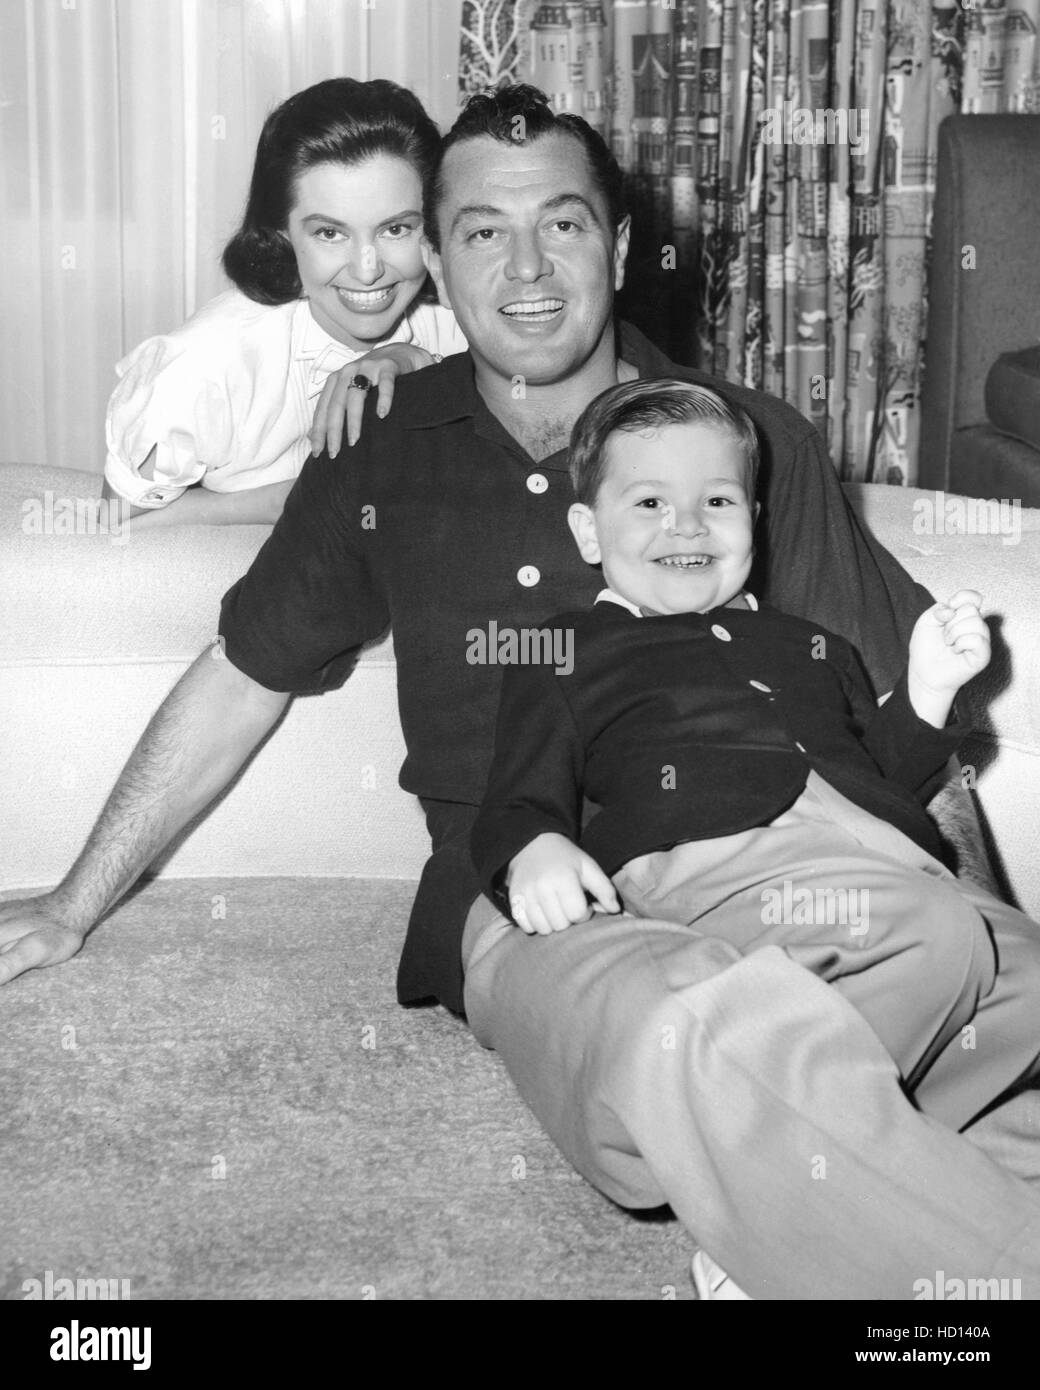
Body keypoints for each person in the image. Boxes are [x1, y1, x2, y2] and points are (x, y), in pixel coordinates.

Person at [3, 85, 1040, 1299]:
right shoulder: (379, 448)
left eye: (563, 222)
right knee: (687, 1024)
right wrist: (76, 901)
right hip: (540, 898)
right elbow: (241, 678)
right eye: (484, 232)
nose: (529, 267)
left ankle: (784, 1204)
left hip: (800, 865)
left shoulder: (752, 443)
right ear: (438, 261)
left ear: (618, 241)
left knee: (998, 996)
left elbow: (910, 723)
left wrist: (986, 920)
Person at [471, 377, 1040, 1296]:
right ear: (588, 532)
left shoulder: (815, 646)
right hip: (718, 864)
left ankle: (799, 1177)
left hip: (871, 858)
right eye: (650, 502)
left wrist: (928, 696)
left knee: (1023, 971)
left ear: (755, 519)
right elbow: (513, 789)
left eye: (718, 501)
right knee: (936, 935)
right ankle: (787, 1187)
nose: (687, 527)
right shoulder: (564, 648)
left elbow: (880, 784)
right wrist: (529, 849)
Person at [101, 78, 467, 528]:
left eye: (395, 229)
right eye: (330, 233)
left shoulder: (458, 319)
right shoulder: (207, 365)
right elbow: (115, 518)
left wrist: (415, 362)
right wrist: (294, 499)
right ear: (282, 234)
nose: (367, 269)